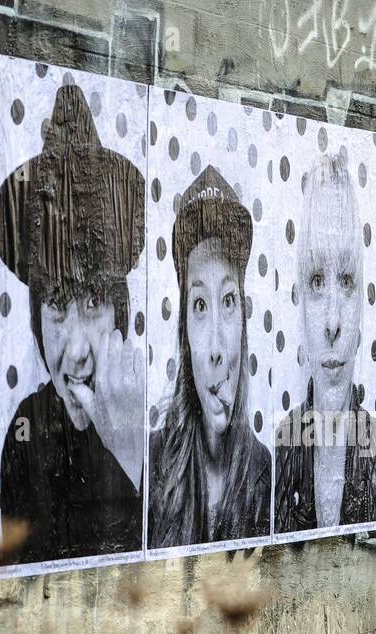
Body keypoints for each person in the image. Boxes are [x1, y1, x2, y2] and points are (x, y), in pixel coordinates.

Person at [0, 83, 146, 563]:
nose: (78, 350)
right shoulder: (27, 430)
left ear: (119, 313)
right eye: (58, 306)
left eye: (95, 300)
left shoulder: (154, 425)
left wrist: (129, 450)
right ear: (37, 320)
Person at [148, 165, 270, 548]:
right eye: (199, 304)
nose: (217, 349)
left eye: (229, 301)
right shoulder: (152, 465)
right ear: (184, 333)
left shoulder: (264, 470)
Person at [274, 153, 376, 533]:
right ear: (298, 302)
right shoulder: (282, 448)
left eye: (347, 280)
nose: (333, 323)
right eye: (317, 280)